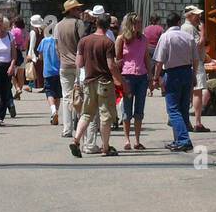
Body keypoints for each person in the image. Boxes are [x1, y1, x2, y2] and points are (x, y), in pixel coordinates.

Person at [69, 12, 122, 158]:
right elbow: (111, 65)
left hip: (88, 81)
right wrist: (120, 80)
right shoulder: (107, 42)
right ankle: (105, 147)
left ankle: (76, 140)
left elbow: (79, 63)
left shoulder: (84, 41)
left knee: (86, 114)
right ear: (107, 26)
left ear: (96, 24)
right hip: (104, 81)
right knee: (105, 116)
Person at [152, 13, 197, 152]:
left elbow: (159, 60)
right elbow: (195, 59)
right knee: (183, 108)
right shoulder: (188, 37)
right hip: (187, 71)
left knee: (173, 109)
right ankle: (178, 139)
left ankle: (183, 139)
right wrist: (194, 75)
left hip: (172, 73)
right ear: (179, 22)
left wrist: (155, 77)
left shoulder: (165, 37)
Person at [116, 13, 149, 150]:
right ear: (129, 24)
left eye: (140, 23)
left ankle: (137, 140)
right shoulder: (121, 39)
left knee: (139, 109)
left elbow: (146, 57)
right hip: (127, 76)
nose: (139, 26)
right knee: (126, 109)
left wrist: (151, 76)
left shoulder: (143, 39)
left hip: (141, 76)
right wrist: (118, 80)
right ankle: (126, 139)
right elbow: (117, 60)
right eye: (136, 23)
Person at [55, 0, 87, 138]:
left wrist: (61, 58)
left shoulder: (58, 25)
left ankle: (67, 129)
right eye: (77, 9)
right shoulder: (78, 23)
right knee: (81, 95)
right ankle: (82, 125)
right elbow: (83, 43)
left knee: (67, 96)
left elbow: (56, 46)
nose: (79, 11)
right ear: (71, 10)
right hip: (78, 64)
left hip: (64, 65)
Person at [182, 7, 210, 133]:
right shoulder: (190, 28)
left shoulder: (184, 28)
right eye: (196, 15)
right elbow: (198, 46)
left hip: (188, 62)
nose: (199, 17)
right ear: (190, 15)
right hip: (196, 63)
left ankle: (186, 120)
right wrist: (203, 32)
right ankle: (197, 122)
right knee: (197, 91)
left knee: (189, 92)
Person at [36, 20, 61, 125]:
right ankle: (56, 112)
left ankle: (53, 110)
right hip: (59, 70)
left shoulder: (44, 41)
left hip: (48, 71)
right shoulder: (58, 41)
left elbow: (40, 57)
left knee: (49, 92)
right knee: (58, 94)